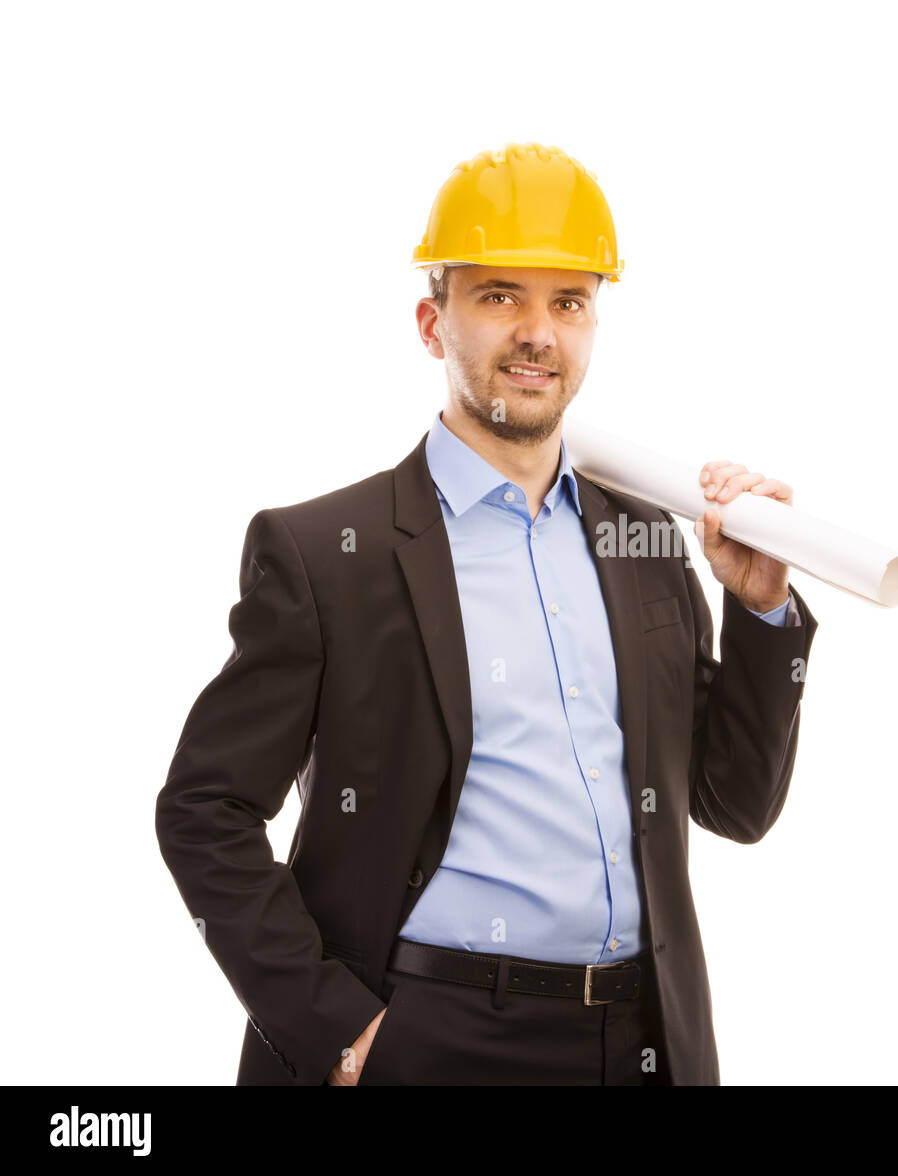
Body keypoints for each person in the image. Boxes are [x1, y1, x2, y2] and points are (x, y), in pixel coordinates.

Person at [155, 141, 819, 1085]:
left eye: (569, 302)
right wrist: (340, 1029)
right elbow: (204, 811)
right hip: (432, 1035)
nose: (538, 333)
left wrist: (759, 611)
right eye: (499, 295)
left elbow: (733, 804)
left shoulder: (646, 545)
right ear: (433, 323)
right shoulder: (326, 556)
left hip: (639, 1039)